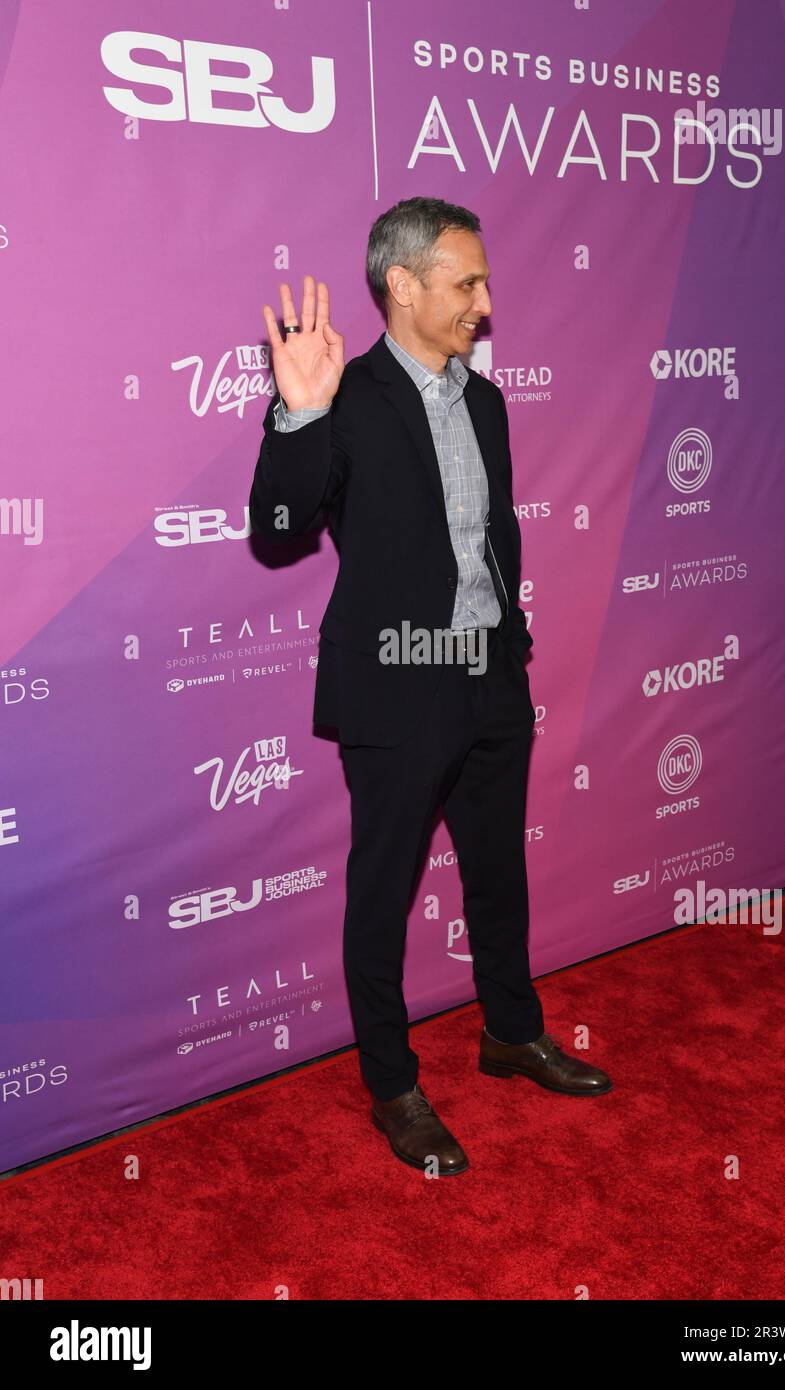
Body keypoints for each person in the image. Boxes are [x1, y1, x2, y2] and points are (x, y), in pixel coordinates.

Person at [250, 197, 612, 1176]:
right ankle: (392, 1085)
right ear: (400, 284)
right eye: (465, 283)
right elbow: (276, 520)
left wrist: (509, 641)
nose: (484, 303)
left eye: (483, 283)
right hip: (398, 680)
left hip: (488, 672)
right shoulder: (344, 391)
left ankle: (509, 1032)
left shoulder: (483, 400)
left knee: (499, 870)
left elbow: (488, 540)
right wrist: (299, 412)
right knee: (383, 889)